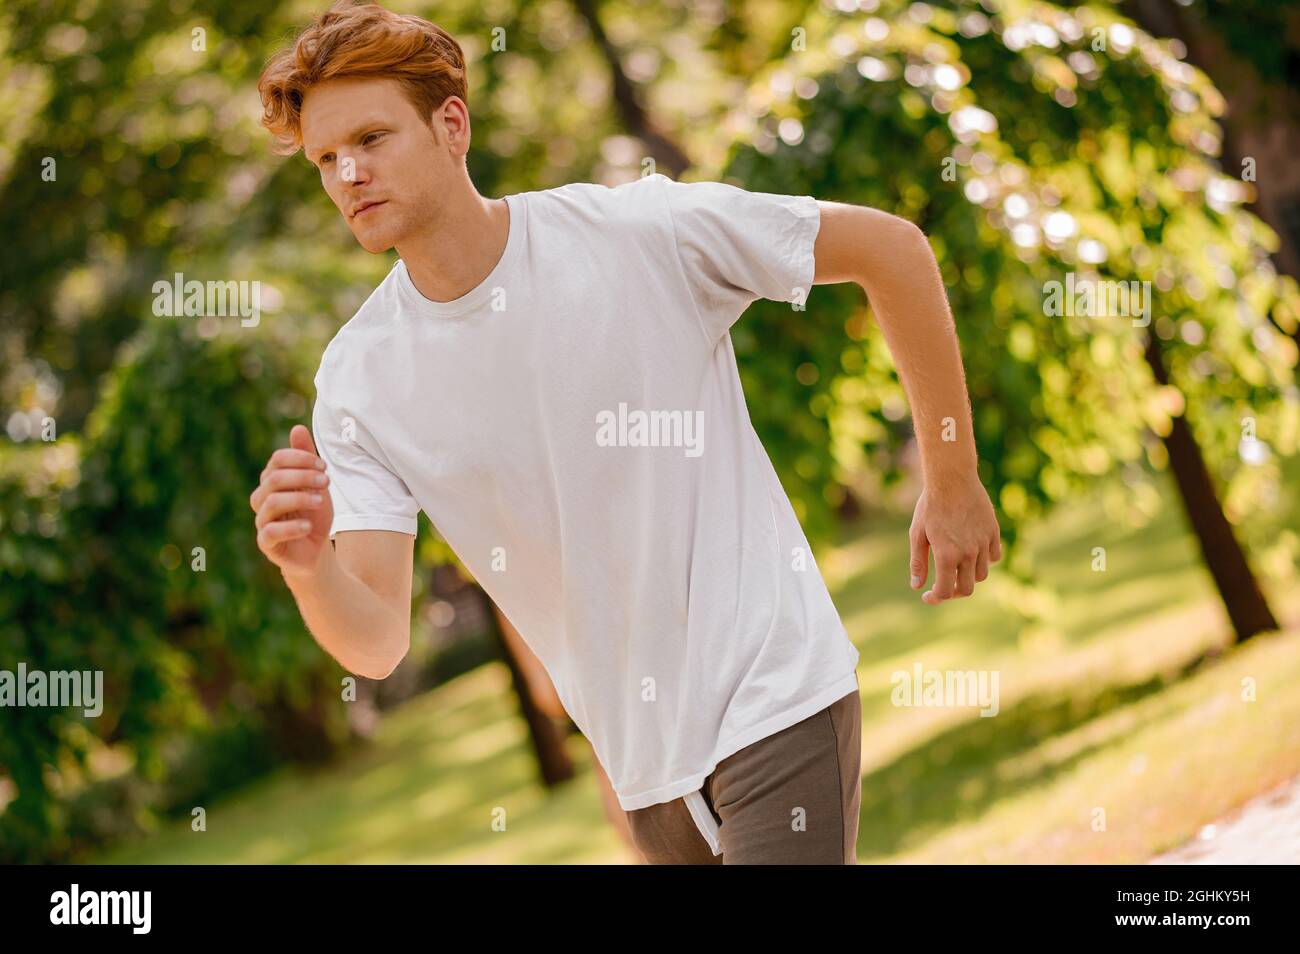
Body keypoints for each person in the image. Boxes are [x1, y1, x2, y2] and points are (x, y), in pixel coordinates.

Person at [248, 0, 1001, 864]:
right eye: (325, 159)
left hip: (773, 694)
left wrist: (950, 477)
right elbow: (377, 641)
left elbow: (890, 248)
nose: (348, 174)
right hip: (643, 772)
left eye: (372, 140)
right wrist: (309, 571)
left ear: (451, 124)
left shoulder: (634, 232)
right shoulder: (359, 379)